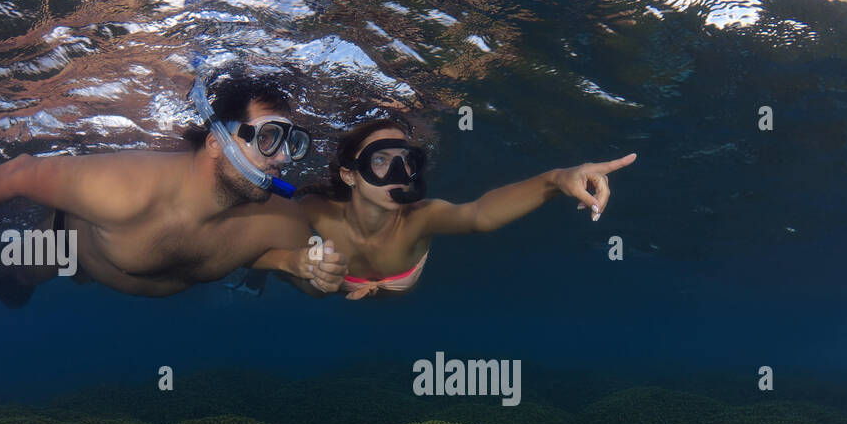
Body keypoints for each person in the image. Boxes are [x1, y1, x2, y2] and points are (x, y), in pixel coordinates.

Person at [0, 74, 349, 305]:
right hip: (70, 243)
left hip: (121, 265)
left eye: (293, 142)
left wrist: (315, 276)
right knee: (13, 281)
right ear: (215, 143)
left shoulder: (278, 220)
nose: (284, 159)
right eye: (270, 137)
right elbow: (18, 173)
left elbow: (310, 282)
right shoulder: (124, 190)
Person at [258, 114, 636, 299]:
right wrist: (299, 270)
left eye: (405, 161)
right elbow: (262, 248)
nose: (397, 172)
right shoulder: (314, 210)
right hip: (343, 282)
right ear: (349, 175)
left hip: (400, 289)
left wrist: (557, 179)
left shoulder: (421, 217)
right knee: (305, 279)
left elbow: (479, 215)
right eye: (379, 160)